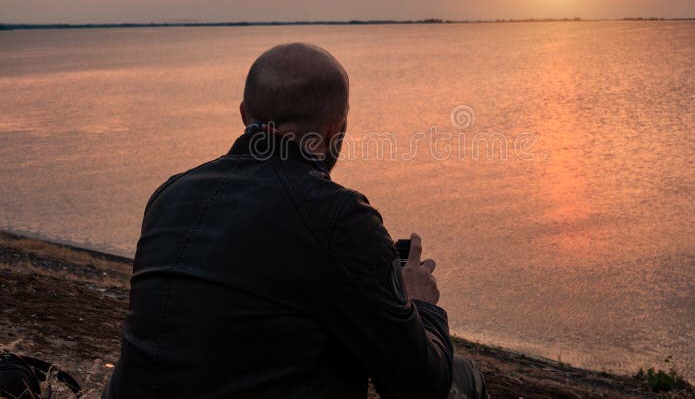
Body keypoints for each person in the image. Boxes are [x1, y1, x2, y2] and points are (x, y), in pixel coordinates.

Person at [104, 43, 487, 398]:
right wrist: (420, 305)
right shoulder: (340, 216)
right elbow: (420, 386)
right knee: (462, 375)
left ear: (243, 115)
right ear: (335, 129)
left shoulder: (169, 194)